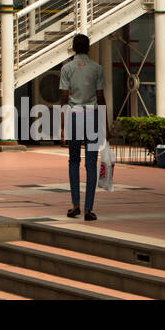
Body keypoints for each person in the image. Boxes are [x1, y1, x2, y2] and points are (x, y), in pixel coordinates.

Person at [58, 33, 106, 221]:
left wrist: (62, 125)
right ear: (88, 48)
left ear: (73, 48)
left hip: (74, 116)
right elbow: (101, 97)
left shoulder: (66, 69)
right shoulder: (97, 69)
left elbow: (64, 97)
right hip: (93, 116)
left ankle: (75, 205)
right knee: (91, 163)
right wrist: (104, 124)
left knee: (73, 162)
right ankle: (88, 210)